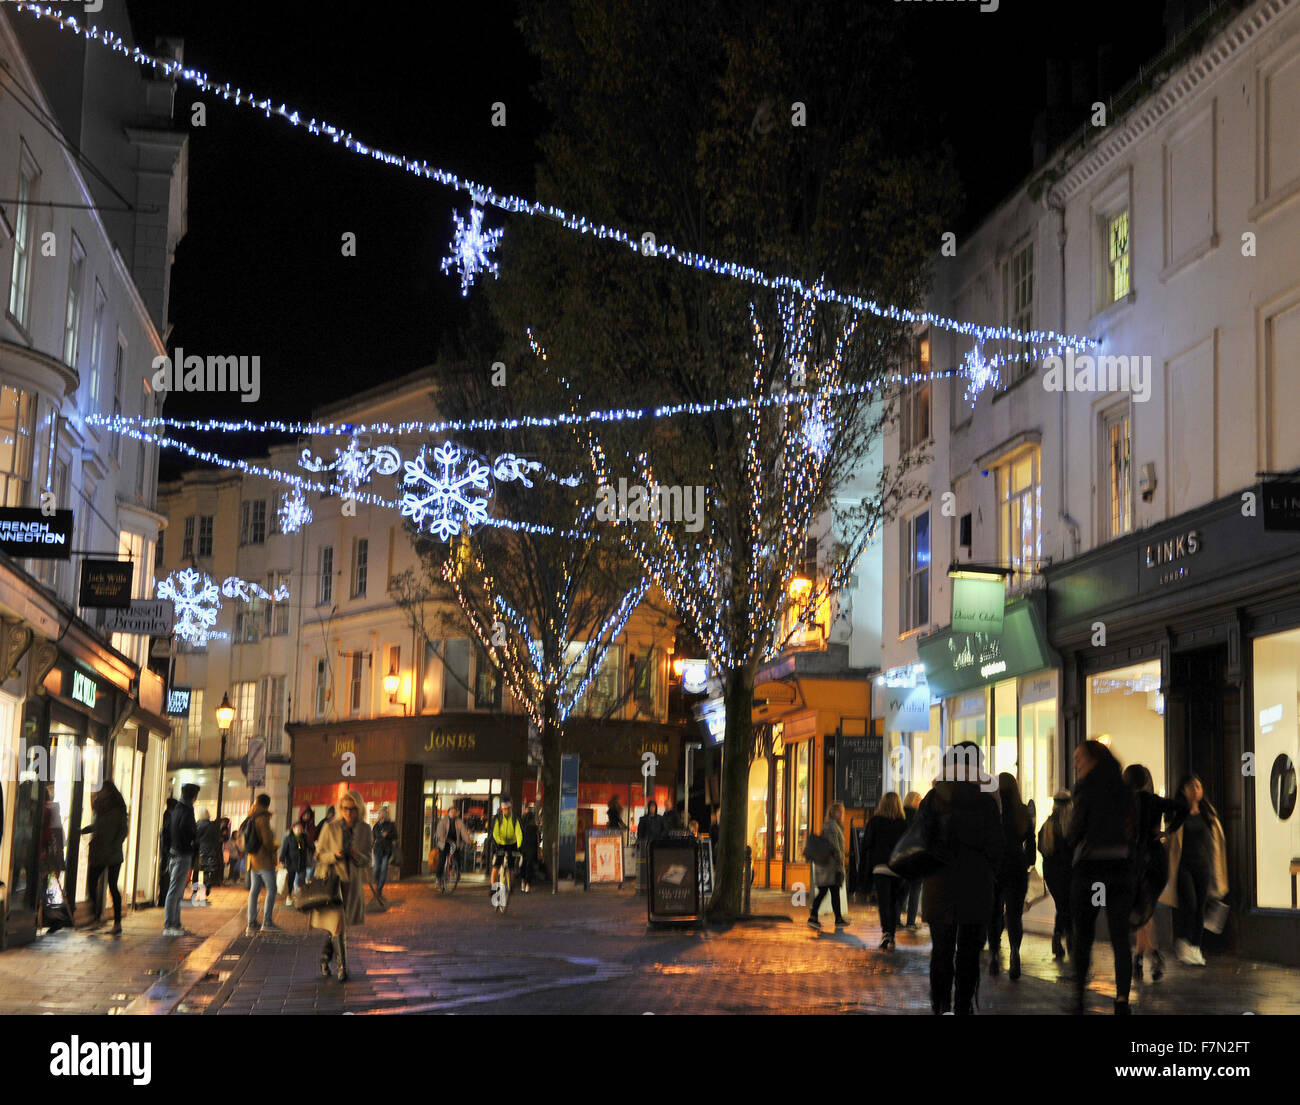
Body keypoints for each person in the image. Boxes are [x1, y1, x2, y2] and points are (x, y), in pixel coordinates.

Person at [921, 743, 1002, 1015]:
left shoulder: (933, 799)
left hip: (939, 886)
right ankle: (963, 1006)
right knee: (969, 953)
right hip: (976, 888)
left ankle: (941, 1005)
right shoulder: (987, 802)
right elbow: (996, 848)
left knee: (942, 951)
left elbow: (921, 842)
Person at [1067, 740, 1138, 1014]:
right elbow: (1136, 830)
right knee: (1120, 937)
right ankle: (1121, 999)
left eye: (1079, 759)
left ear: (1093, 760)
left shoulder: (1086, 791)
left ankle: (1079, 997)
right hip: (1119, 872)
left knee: (1084, 934)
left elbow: (1075, 832)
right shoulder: (1125, 790)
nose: (1076, 764)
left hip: (1093, 873)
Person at [1161, 773, 1228, 967]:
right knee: (1189, 903)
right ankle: (1184, 942)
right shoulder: (1176, 812)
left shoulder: (1209, 813)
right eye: (1191, 787)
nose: (1196, 790)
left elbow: (1216, 841)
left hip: (1203, 866)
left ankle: (1196, 947)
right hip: (1183, 866)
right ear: (1183, 790)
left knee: (1200, 907)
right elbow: (1171, 839)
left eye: (1198, 786)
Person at [309, 789, 373, 982]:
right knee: (338, 925)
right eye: (345, 808)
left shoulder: (365, 829)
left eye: (353, 809)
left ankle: (324, 957)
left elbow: (368, 860)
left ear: (359, 809)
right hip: (332, 882)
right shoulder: (330, 827)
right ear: (340, 808)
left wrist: (357, 856)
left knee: (339, 926)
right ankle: (342, 967)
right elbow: (318, 855)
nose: (349, 813)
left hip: (351, 883)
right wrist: (333, 855)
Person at [989, 772, 1035, 980]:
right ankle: (1015, 951)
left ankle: (994, 955)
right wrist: (1028, 860)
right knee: (1014, 914)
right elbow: (1031, 841)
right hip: (1017, 865)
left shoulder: (993, 810)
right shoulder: (1022, 810)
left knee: (994, 911)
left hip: (996, 865)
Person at [863, 792, 907, 949]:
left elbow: (867, 844)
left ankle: (886, 933)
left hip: (880, 867)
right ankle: (892, 934)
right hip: (898, 868)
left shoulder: (875, 822)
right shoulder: (903, 824)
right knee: (895, 902)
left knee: (884, 902)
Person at [86, 780, 129, 934]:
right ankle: (95, 916)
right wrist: (86, 830)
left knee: (112, 885)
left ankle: (117, 923)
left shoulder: (118, 809)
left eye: (102, 790)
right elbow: (99, 826)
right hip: (99, 851)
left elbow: (123, 831)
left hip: (112, 853)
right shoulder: (100, 807)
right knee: (91, 884)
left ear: (110, 792)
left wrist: (114, 844)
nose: (100, 793)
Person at [1038, 790, 1073, 960]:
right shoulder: (1071, 826)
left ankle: (1059, 938)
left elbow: (1041, 848)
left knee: (1062, 906)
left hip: (1051, 875)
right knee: (1068, 907)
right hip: (1068, 873)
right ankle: (1067, 939)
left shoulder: (1048, 824)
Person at [164, 784, 199, 936]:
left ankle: (175, 924)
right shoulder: (187, 810)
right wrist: (191, 842)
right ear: (193, 796)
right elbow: (188, 829)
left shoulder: (177, 809)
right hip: (182, 853)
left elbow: (165, 831)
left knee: (177, 892)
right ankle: (170, 925)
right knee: (174, 892)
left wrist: (170, 847)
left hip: (174, 852)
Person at [808, 801, 849, 930]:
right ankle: (814, 917)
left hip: (829, 866)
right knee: (826, 891)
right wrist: (840, 858)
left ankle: (837, 918)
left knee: (832, 891)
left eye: (842, 812)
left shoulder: (834, 825)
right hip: (830, 866)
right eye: (839, 811)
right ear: (833, 812)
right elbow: (834, 845)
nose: (841, 814)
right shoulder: (832, 826)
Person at [243, 793, 280, 935]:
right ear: (267, 805)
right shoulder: (262, 818)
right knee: (272, 889)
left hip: (252, 861)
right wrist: (275, 846)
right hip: (264, 861)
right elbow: (268, 842)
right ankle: (267, 922)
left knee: (254, 891)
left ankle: (251, 923)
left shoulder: (250, 816)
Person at [489, 796, 523, 897]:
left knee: (511, 866)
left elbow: (519, 833)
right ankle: (493, 888)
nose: (507, 811)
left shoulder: (515, 818)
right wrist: (498, 843)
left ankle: (510, 885)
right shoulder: (498, 818)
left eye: (508, 808)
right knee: (496, 866)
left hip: (512, 844)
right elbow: (495, 833)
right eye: (505, 809)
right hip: (500, 844)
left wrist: (519, 846)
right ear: (502, 809)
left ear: (511, 808)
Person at [900, 792, 923, 930]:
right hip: (916, 859)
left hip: (903, 859)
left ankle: (896, 919)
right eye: (919, 800)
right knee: (915, 890)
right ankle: (910, 921)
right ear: (914, 801)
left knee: (904, 890)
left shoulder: (901, 816)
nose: (921, 802)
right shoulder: (918, 817)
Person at [371, 804, 399, 905]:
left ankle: (379, 888)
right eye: (379, 813)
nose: (380, 815)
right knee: (376, 869)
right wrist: (380, 836)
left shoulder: (391, 825)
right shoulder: (376, 826)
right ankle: (377, 884)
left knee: (383, 869)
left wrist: (387, 835)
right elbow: (373, 836)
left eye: (381, 813)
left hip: (386, 850)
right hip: (377, 850)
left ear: (385, 814)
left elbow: (395, 836)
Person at [193, 808, 221, 903]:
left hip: (199, 850)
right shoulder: (212, 826)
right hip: (210, 850)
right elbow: (216, 838)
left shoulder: (198, 825)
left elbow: (195, 837)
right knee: (206, 870)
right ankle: (207, 884)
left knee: (196, 870)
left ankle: (195, 890)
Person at [281, 820, 311, 899]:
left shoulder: (304, 837)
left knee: (301, 879)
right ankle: (289, 895)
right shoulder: (288, 838)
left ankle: (300, 896)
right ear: (293, 829)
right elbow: (284, 850)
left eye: (301, 829)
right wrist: (282, 860)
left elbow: (308, 846)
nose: (300, 831)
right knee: (291, 880)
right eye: (298, 829)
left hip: (301, 862)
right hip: (291, 862)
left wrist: (314, 848)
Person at [158, 796, 177, 904]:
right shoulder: (169, 818)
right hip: (168, 851)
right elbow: (168, 835)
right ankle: (164, 899)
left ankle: (163, 898)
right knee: (167, 875)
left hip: (167, 850)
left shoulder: (167, 816)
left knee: (167, 875)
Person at [521, 807, 541, 892]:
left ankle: (522, 882)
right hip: (532, 848)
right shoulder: (534, 827)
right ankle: (528, 884)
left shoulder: (522, 826)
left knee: (523, 865)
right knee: (530, 866)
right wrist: (539, 849)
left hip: (524, 847)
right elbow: (538, 839)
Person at [297, 804, 318, 882]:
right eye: (305, 814)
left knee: (312, 864)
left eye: (308, 814)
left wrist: (315, 846)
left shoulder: (312, 826)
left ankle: (308, 880)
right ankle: (298, 890)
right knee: (300, 870)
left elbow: (315, 837)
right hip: (300, 850)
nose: (306, 816)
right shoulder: (297, 825)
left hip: (310, 849)